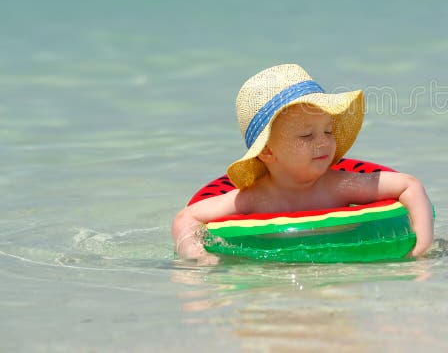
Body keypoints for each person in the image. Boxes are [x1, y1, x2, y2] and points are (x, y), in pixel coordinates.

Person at [172, 63, 434, 264]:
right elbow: (187, 217)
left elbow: (409, 186)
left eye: (329, 131)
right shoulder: (253, 198)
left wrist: (421, 250)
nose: (323, 142)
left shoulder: (339, 185)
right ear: (268, 152)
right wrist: (195, 256)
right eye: (307, 135)